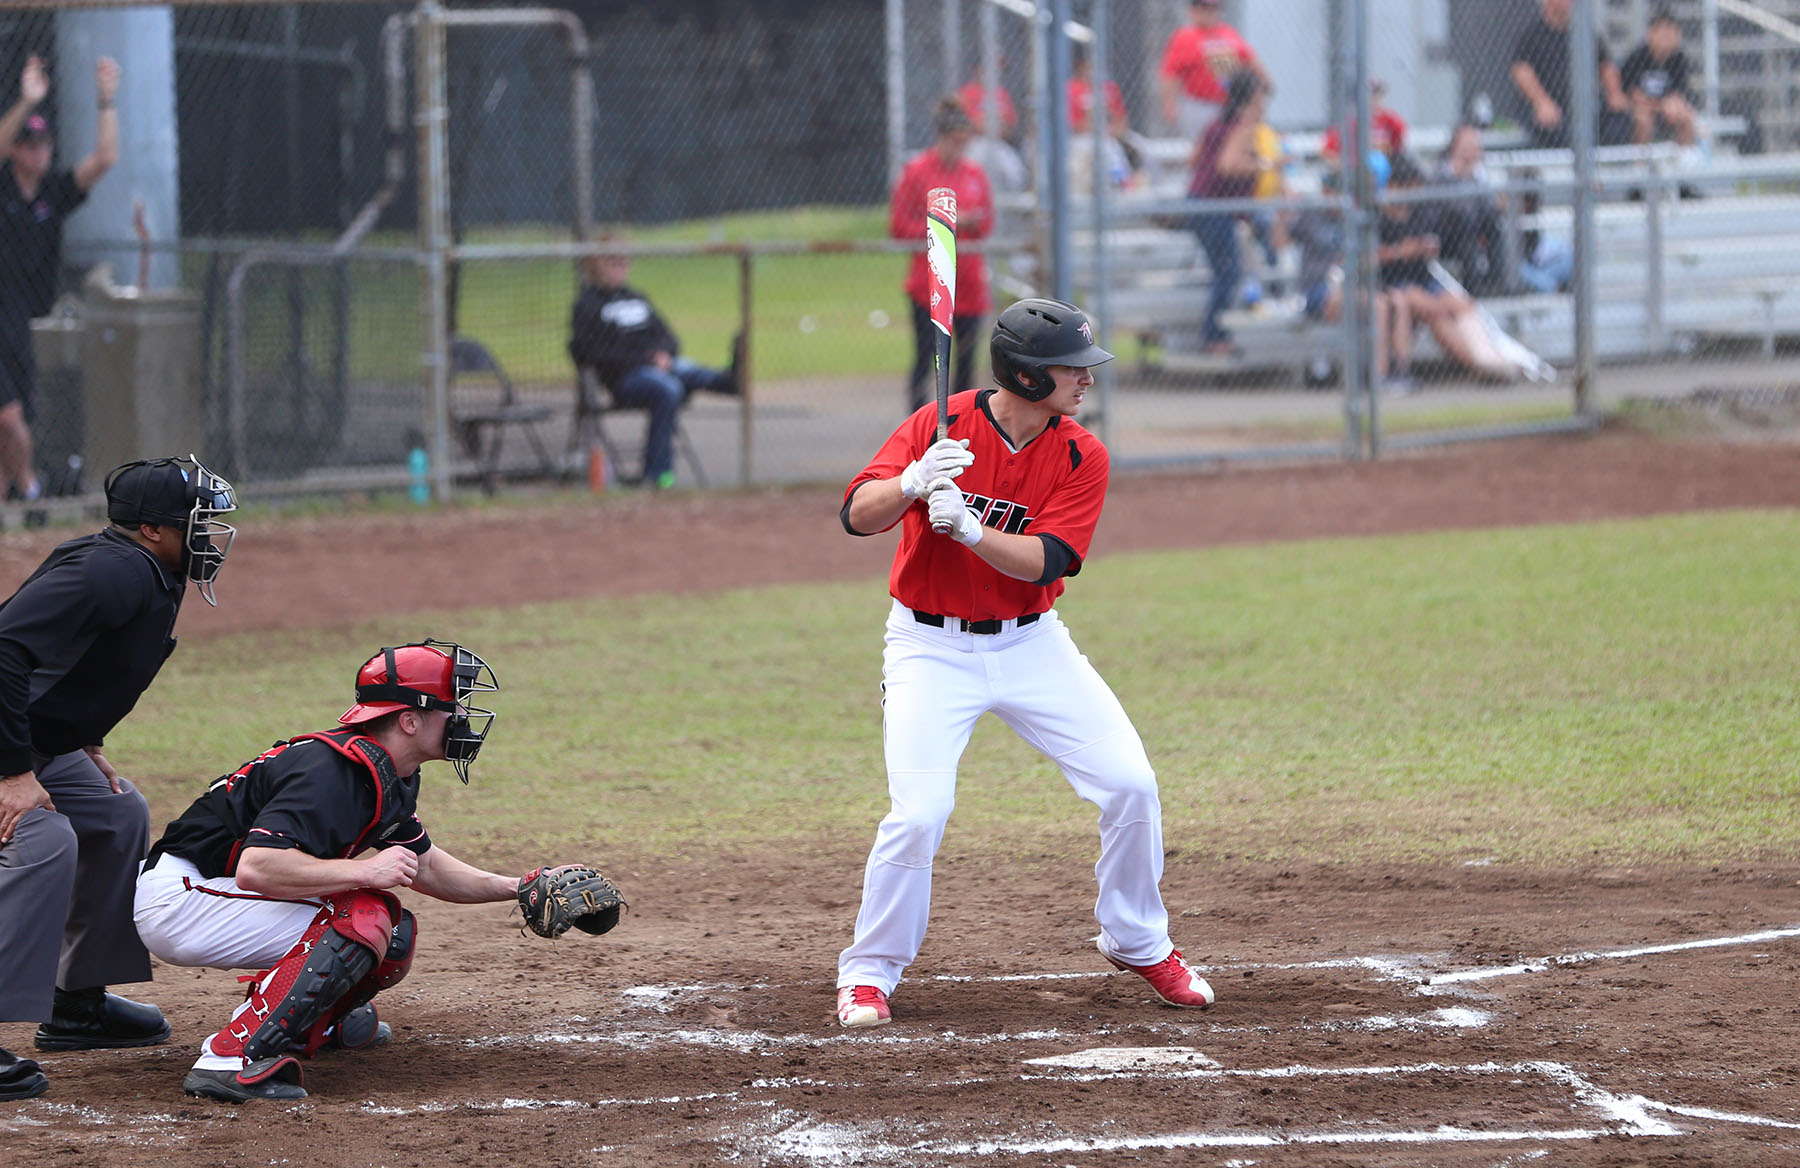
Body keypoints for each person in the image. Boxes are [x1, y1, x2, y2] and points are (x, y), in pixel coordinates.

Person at [833, 297, 1215, 1029]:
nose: (1087, 382)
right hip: (929, 649)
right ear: (1030, 376)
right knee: (920, 815)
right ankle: (869, 974)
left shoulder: (1081, 453)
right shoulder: (934, 425)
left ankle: (1136, 940)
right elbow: (857, 514)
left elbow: (1047, 563)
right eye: (1075, 369)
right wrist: (912, 482)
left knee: (1131, 784)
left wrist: (971, 531)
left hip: (1031, 642)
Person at [133, 640, 599, 1102]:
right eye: (450, 707)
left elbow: (428, 867)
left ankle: (313, 1024)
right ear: (409, 719)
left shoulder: (386, 771)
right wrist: (366, 871)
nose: (461, 717)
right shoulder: (329, 771)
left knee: (393, 932)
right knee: (363, 917)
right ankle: (228, 1059)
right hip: (183, 895)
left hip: (218, 889)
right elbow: (258, 868)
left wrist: (520, 887)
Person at [0, 454, 238, 1102]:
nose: (208, 534)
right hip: (8, 752)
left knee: (115, 812)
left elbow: (78, 661)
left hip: (36, 742)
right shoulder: (110, 571)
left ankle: (76, 1004)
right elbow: (5, 650)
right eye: (196, 520)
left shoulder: (147, 570)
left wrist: (80, 737)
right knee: (43, 840)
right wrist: (15, 773)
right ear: (152, 530)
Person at [0, 54, 119, 505]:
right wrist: (27, 100)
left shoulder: (52, 192)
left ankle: (18, 505)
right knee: (9, 419)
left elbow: (105, 158)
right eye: (30, 144)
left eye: (44, 143)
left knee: (7, 430)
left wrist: (107, 101)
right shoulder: (3, 187)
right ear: (14, 151)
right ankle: (32, 491)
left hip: (19, 316)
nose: (40, 151)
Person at [567, 244, 740, 490]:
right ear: (597, 266)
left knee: (684, 369)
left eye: (623, 262)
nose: (620, 268)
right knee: (668, 388)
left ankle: (732, 381)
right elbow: (586, 353)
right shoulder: (588, 305)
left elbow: (668, 336)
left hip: (659, 367)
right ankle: (658, 474)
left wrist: (664, 355)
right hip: (625, 378)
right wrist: (646, 359)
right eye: (612, 262)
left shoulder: (636, 298)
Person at [891, 96, 994, 414]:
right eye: (954, 141)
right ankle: (919, 422)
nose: (959, 148)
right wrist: (945, 223)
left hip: (968, 284)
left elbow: (987, 223)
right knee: (928, 357)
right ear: (941, 137)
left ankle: (963, 424)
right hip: (929, 285)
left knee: (965, 360)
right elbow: (899, 226)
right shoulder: (917, 171)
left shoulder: (975, 173)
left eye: (965, 141)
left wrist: (970, 222)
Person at [1377, 154, 1516, 390]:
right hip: (1392, 282)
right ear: (1394, 186)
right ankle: (1482, 366)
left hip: (1422, 278)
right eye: (1409, 189)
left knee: (1462, 303)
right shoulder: (1377, 216)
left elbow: (1439, 240)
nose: (1412, 197)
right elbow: (1369, 257)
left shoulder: (1418, 212)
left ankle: (1489, 357)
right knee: (1435, 311)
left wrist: (1426, 247)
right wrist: (1401, 251)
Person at [1188, 71, 1271, 356]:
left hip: (1201, 202)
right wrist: (1264, 165)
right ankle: (1214, 338)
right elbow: (1227, 165)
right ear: (1249, 99)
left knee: (1226, 271)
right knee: (1227, 272)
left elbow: (1194, 158)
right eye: (1259, 97)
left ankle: (1215, 335)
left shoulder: (1217, 123)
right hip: (1214, 207)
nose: (1264, 104)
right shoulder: (1242, 124)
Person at [1510, 0, 1632, 149]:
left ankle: (1612, 167)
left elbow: (1606, 66)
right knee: (1550, 126)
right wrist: (1541, 102)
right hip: (1553, 109)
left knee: (1619, 119)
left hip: (1586, 106)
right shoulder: (1532, 34)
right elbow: (1521, 71)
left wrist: (1615, 93)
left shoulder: (1584, 33)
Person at [1158, 0, 1269, 141]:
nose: (1209, 12)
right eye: (1203, 7)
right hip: (1199, 104)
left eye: (1213, 7)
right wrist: (1169, 104)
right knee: (1204, 144)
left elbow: (1250, 59)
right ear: (1193, 10)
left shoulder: (1228, 33)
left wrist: (1265, 83)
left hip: (1229, 104)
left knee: (1228, 143)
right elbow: (1170, 73)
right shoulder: (1185, 36)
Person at [1430, 124, 1508, 296]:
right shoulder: (1442, 174)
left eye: (1476, 148)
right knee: (1466, 232)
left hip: (1474, 229)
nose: (1473, 154)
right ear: (1455, 148)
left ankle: (1497, 285)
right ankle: (1474, 292)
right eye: (1468, 148)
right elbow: (1453, 211)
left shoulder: (1479, 174)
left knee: (1495, 227)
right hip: (1448, 235)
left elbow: (1489, 209)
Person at [1621, 8, 1698, 148]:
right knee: (1643, 119)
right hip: (1641, 109)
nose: (1669, 38)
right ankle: (1639, 163)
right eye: (1664, 32)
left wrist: (1672, 106)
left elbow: (1678, 94)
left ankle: (1683, 158)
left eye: (1672, 32)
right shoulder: (1637, 57)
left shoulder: (1678, 59)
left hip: (1666, 110)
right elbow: (1634, 96)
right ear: (1651, 33)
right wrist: (1662, 106)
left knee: (1686, 116)